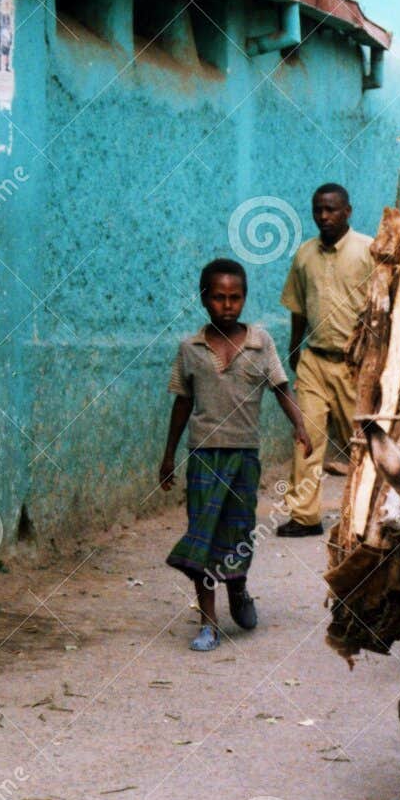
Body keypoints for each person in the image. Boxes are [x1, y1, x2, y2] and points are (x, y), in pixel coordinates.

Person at [160, 259, 312, 651]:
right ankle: (208, 622)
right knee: (203, 537)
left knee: (239, 534)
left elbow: (281, 388)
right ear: (204, 299)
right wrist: (168, 456)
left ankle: (239, 590)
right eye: (219, 298)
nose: (228, 305)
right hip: (204, 457)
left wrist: (299, 425)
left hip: (244, 457)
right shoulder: (190, 349)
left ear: (244, 298)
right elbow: (181, 404)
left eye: (235, 297)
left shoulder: (261, 343)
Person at [277, 183, 373, 537]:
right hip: (314, 360)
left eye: (331, 209)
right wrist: (293, 346)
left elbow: (383, 307)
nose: (323, 216)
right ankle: (305, 517)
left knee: (360, 443)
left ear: (347, 211)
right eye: (318, 209)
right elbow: (298, 306)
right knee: (307, 437)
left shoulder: (369, 250)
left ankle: (366, 515)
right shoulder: (304, 255)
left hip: (355, 363)